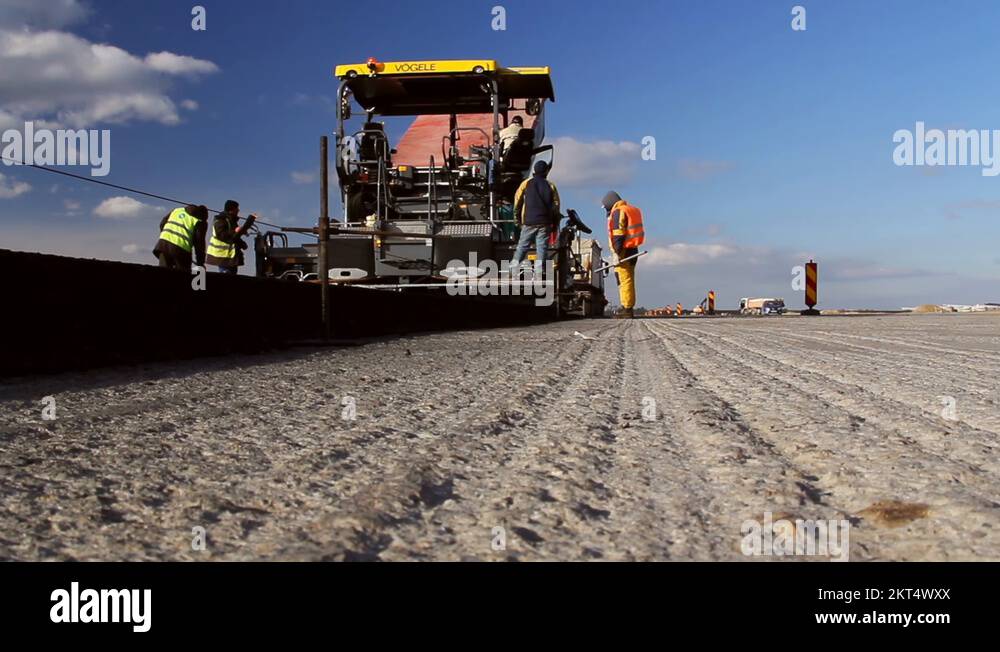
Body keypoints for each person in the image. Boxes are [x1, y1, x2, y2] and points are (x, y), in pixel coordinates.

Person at [511, 160, 560, 277]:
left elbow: (517, 201)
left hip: (529, 221)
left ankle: (512, 270)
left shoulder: (526, 183)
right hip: (544, 222)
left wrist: (516, 219)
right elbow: (556, 206)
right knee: (541, 248)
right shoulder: (550, 185)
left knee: (522, 246)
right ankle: (538, 273)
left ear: (534, 171)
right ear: (546, 171)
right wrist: (555, 222)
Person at [603, 191, 645, 319]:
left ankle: (627, 308)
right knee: (628, 279)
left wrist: (616, 253)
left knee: (624, 280)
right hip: (633, 249)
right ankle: (627, 306)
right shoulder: (630, 209)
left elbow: (618, 234)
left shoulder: (618, 212)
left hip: (623, 251)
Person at [206, 200, 256, 274]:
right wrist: (236, 231)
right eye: (237, 208)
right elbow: (222, 235)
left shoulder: (232, 221)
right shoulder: (220, 220)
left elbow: (234, 237)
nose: (238, 210)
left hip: (231, 258)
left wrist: (242, 244)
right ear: (231, 209)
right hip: (223, 257)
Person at [153, 204, 208, 270]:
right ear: (204, 216)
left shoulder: (177, 210)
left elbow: (162, 223)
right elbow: (199, 244)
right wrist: (200, 263)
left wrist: (166, 236)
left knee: (164, 275)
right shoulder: (200, 221)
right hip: (181, 251)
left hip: (163, 246)